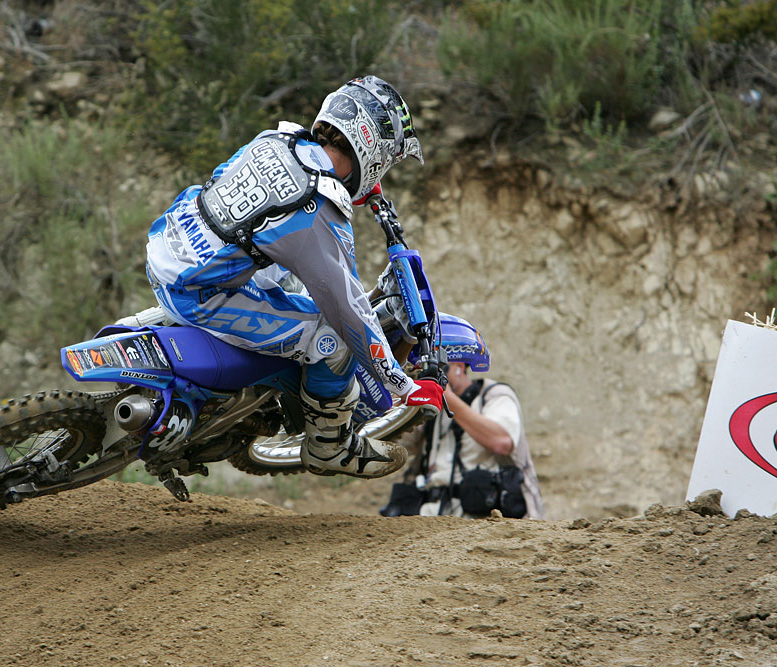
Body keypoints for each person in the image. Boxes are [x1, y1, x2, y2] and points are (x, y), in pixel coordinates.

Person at [140, 75, 444, 479]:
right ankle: (329, 446)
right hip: (199, 292)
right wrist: (404, 385)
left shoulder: (277, 141)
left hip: (167, 246)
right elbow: (349, 312)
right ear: (372, 150)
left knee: (288, 281)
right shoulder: (318, 211)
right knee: (333, 339)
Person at [381, 317, 546, 519]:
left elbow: (502, 442)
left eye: (438, 365)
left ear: (459, 365)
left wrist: (444, 394)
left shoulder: (495, 395)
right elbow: (395, 442)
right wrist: (396, 400)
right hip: (434, 514)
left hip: (489, 514)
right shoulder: (431, 408)